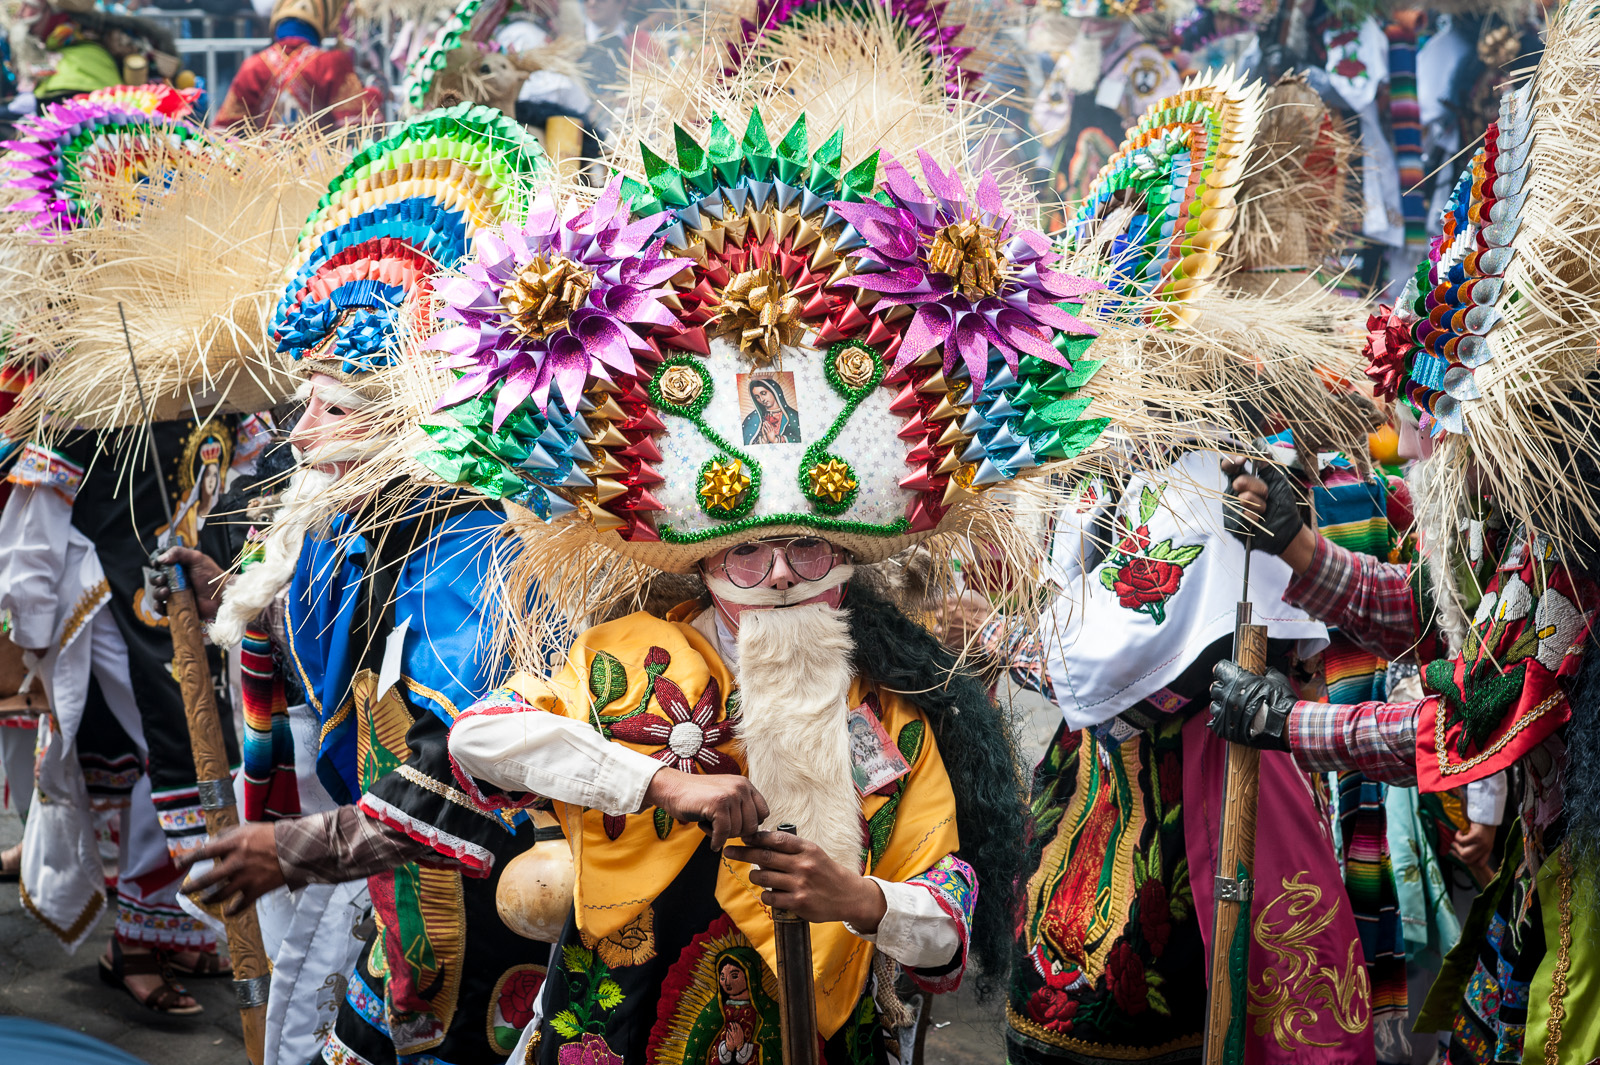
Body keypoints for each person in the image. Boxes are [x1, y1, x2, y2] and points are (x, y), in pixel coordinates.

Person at [173, 106, 557, 1065]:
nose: (300, 433)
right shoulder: (361, 522)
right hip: (393, 888)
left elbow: (460, 768)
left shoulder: (472, 544)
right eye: (305, 401)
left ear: (413, 420)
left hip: (482, 909)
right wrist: (228, 586)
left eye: (334, 406)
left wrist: (289, 848)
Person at [212, 0, 379, 132]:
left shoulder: (253, 66)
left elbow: (223, 131)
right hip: (322, 172)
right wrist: (377, 92)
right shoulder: (330, 63)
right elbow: (360, 122)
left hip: (265, 172)